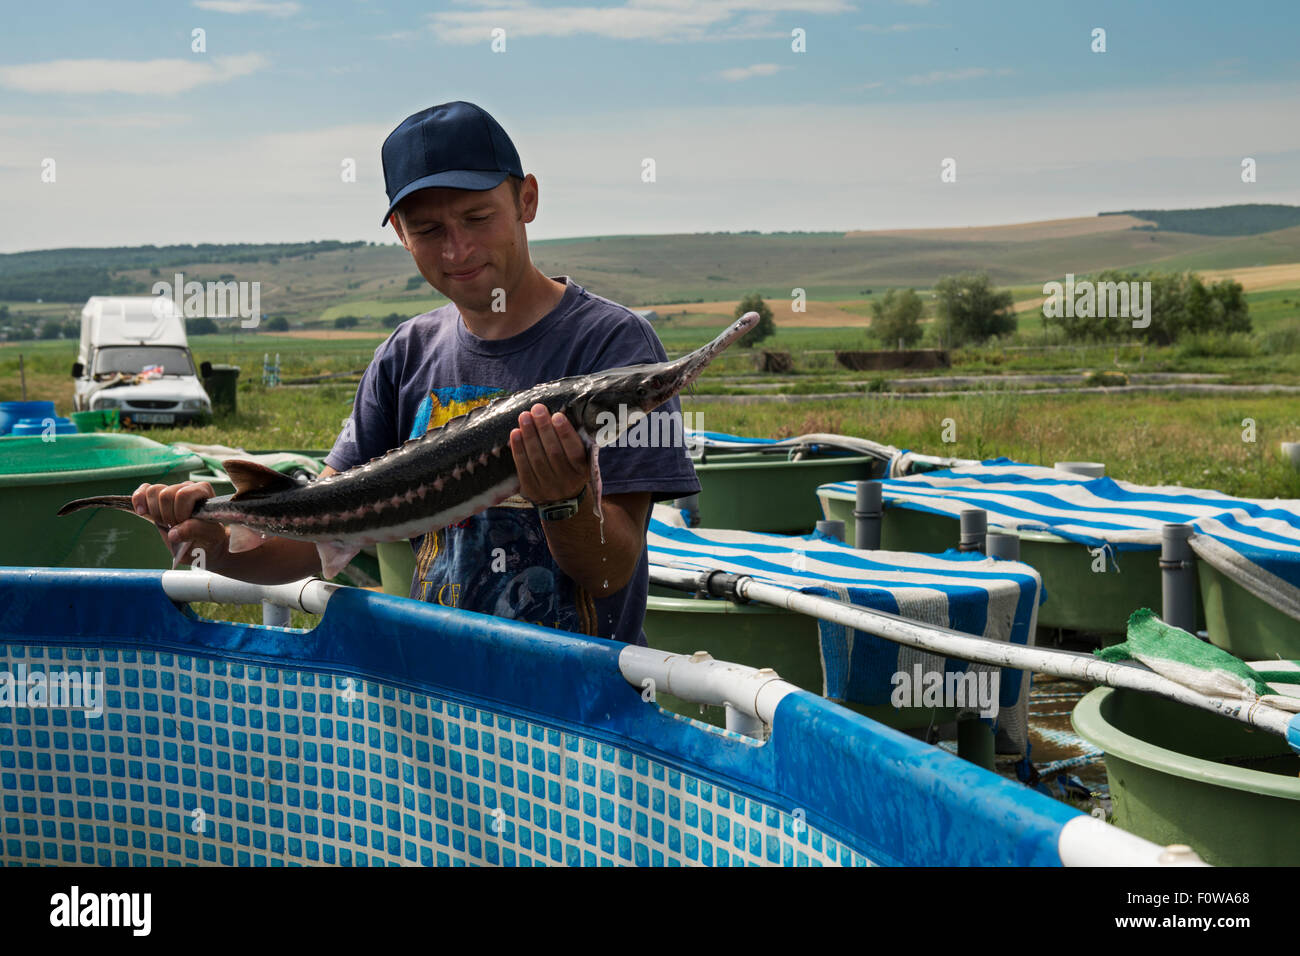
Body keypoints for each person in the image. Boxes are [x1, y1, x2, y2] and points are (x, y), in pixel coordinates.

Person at [131, 100, 700, 645]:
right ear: (401, 234)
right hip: (435, 691)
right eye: (428, 231)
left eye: (477, 217)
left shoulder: (613, 346)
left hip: (568, 703)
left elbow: (609, 573)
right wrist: (217, 544)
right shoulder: (406, 354)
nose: (457, 250)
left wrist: (563, 501)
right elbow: (322, 539)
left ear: (526, 199)